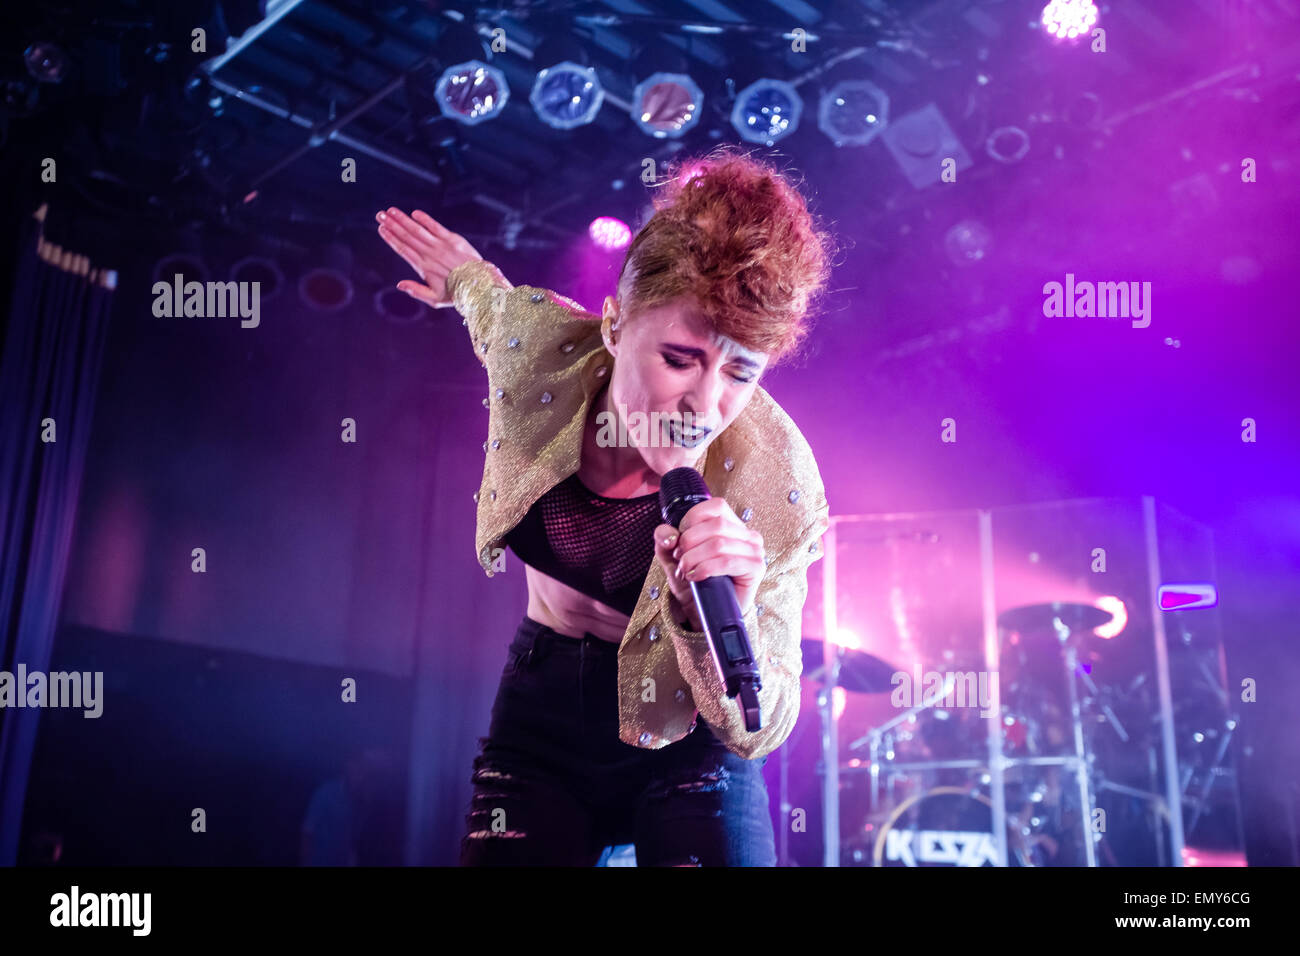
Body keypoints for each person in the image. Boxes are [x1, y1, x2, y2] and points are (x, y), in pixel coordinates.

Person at [376, 147, 833, 866]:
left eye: (740, 370)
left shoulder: (777, 487)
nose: (705, 405)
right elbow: (491, 305)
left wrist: (721, 621)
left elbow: (762, 725)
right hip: (544, 717)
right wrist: (464, 278)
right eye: (680, 358)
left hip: (691, 744)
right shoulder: (542, 354)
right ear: (615, 326)